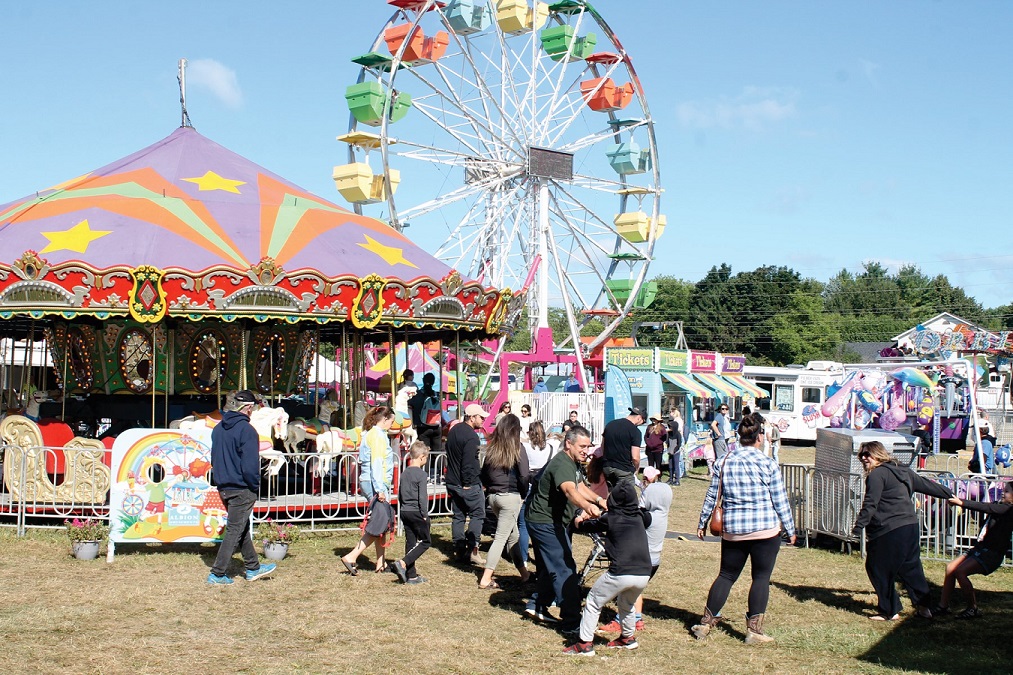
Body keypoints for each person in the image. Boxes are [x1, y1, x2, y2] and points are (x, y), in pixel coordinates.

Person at [693, 413, 796, 644]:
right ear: (760, 437)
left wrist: (702, 522)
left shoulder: (724, 461)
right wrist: (790, 528)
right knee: (760, 577)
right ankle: (754, 631)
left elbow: (712, 495)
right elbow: (780, 499)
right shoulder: (767, 463)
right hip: (765, 529)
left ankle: (705, 623)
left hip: (734, 529)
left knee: (726, 575)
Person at [850, 440, 953, 621]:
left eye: (868, 454)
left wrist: (859, 527)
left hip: (889, 529)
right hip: (910, 527)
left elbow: (871, 503)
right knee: (910, 567)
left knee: (877, 568)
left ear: (878, 454)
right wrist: (948, 494)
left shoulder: (877, 474)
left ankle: (889, 610)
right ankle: (924, 607)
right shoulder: (903, 470)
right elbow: (927, 485)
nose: (864, 458)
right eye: (862, 455)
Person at [524, 426, 603, 630]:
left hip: (553, 521)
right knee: (564, 568)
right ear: (569, 443)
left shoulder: (574, 463)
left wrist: (599, 500)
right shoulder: (561, 463)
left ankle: (537, 605)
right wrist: (588, 507)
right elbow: (569, 490)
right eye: (582, 446)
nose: (586, 450)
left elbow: (579, 486)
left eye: (588, 446)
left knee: (552, 564)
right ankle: (571, 622)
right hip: (544, 522)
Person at [562, 481, 652, 656]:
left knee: (594, 602)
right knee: (627, 603)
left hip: (621, 571)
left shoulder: (610, 518)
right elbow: (646, 517)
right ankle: (627, 638)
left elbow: (586, 527)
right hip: (643, 573)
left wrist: (579, 520)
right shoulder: (640, 517)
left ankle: (584, 644)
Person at [208, 390, 276, 584]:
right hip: (242, 487)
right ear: (247, 407)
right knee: (234, 530)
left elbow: (215, 458)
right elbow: (250, 465)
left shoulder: (218, 429)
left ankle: (252, 567)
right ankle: (217, 572)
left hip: (224, 486)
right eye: (252, 407)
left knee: (242, 528)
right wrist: (254, 485)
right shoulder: (247, 431)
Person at [599, 465, 672, 634]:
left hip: (640, 559)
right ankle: (637, 619)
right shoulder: (661, 514)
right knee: (636, 590)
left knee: (624, 593)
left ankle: (620, 621)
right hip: (654, 561)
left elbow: (627, 517)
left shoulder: (646, 517)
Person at [935, 481, 1013, 618]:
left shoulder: (1009, 510)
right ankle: (943, 606)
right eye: (1003, 489)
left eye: (1007, 491)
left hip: (992, 554)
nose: (1002, 492)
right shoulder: (999, 506)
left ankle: (972, 608)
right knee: (950, 568)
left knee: (960, 571)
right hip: (981, 547)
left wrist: (962, 502)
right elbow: (989, 508)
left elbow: (984, 507)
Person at [341, 406, 397, 576]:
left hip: (370, 481)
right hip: (375, 483)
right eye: (391, 421)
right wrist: (380, 489)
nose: (392, 425)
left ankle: (381, 563)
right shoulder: (378, 436)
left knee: (382, 521)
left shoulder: (370, 433)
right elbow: (377, 463)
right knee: (380, 522)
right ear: (385, 419)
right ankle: (352, 556)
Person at [478, 413, 531, 589]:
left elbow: (484, 473)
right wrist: (523, 494)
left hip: (493, 496)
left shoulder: (492, 448)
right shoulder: (518, 447)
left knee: (513, 535)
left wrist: (490, 487)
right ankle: (486, 578)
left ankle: (524, 573)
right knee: (500, 538)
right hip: (510, 496)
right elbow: (524, 475)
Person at [446, 403, 488, 565]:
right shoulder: (471, 436)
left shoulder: (454, 431)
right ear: (472, 417)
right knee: (478, 514)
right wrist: (468, 483)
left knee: (459, 516)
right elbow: (469, 463)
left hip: (453, 481)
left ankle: (459, 548)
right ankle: (473, 549)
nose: (483, 419)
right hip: (466, 483)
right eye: (481, 417)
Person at [391, 441, 431, 585]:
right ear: (421, 457)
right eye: (426, 458)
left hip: (405, 511)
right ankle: (403, 563)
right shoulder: (421, 474)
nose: (426, 461)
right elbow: (422, 497)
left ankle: (411, 575)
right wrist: (425, 514)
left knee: (411, 541)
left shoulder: (404, 472)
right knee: (426, 541)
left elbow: (400, 494)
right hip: (416, 511)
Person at [518, 420, 551, 567]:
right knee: (540, 522)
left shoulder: (525, 447)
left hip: (528, 484)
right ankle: (541, 557)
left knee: (523, 524)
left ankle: (523, 558)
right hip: (543, 486)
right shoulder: (550, 448)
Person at [601, 407, 644, 487]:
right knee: (626, 497)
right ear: (639, 418)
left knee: (612, 496)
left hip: (607, 467)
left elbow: (602, 446)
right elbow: (635, 457)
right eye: (642, 422)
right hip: (624, 469)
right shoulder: (635, 431)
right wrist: (637, 468)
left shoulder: (610, 424)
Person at [409, 372, 442, 453]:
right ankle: (439, 465)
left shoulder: (419, 395)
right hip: (436, 426)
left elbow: (411, 403)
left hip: (423, 426)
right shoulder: (436, 395)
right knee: (437, 452)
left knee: (425, 452)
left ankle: (426, 466)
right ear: (433, 382)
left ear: (423, 381)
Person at [666, 409, 683, 486]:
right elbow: (667, 441)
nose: (670, 428)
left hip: (676, 452)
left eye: (671, 427)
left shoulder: (678, 434)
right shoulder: (669, 434)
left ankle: (677, 480)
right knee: (670, 466)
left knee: (676, 466)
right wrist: (669, 448)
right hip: (670, 451)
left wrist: (674, 450)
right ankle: (670, 479)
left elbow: (679, 444)